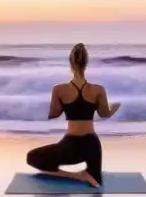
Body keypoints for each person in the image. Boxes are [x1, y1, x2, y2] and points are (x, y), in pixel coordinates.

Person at [25, 43, 120, 188]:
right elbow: (105, 114)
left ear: (71, 62)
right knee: (96, 181)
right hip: (92, 146)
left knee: (32, 157)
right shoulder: (98, 90)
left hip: (71, 146)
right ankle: (86, 174)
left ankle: (77, 176)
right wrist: (114, 107)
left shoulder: (59, 89)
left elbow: (53, 114)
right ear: (86, 63)